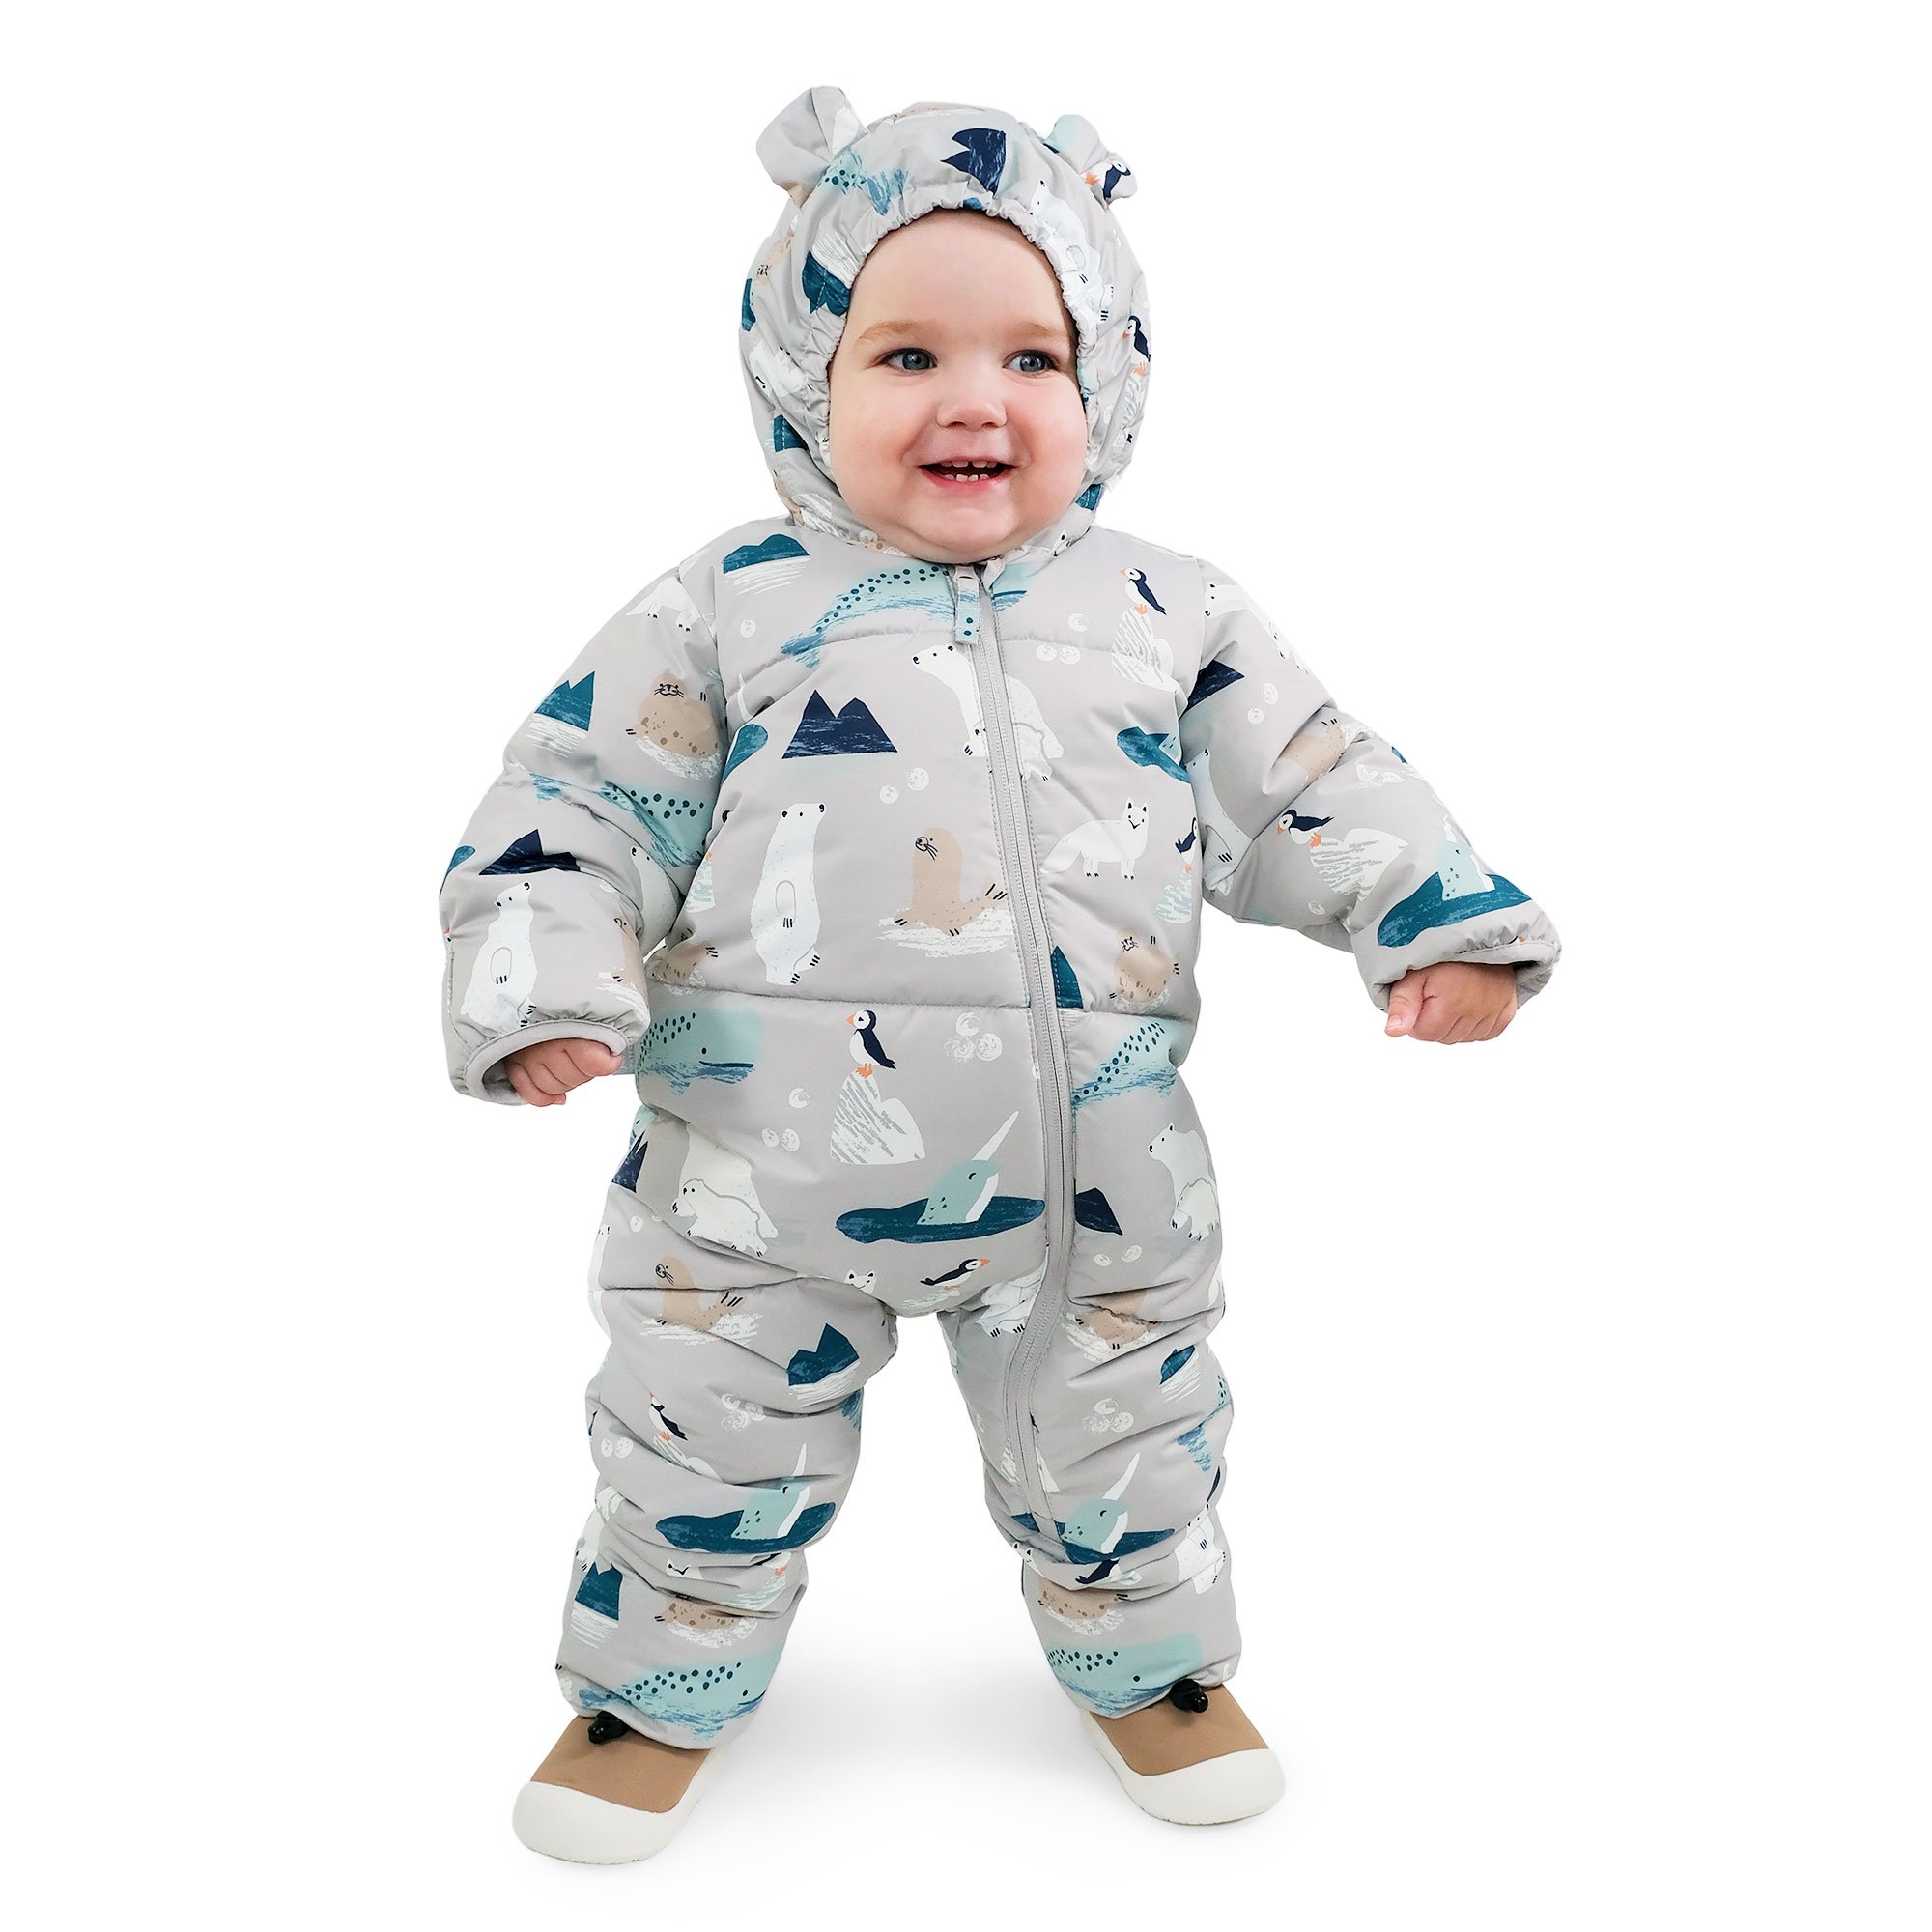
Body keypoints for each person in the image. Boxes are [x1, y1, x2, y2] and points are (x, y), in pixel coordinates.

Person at [438, 86, 1562, 1863]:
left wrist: (1435, 923)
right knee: (696, 1429)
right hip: (749, 1171)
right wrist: (546, 982)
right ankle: (653, 1688)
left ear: (1107, 381)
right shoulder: (728, 603)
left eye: (1034, 357)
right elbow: (577, 796)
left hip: (1093, 1170)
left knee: (1130, 1421)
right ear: (802, 377)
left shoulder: (1168, 612)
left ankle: (1153, 1666)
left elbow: (1318, 781)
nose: (976, 399)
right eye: (906, 354)